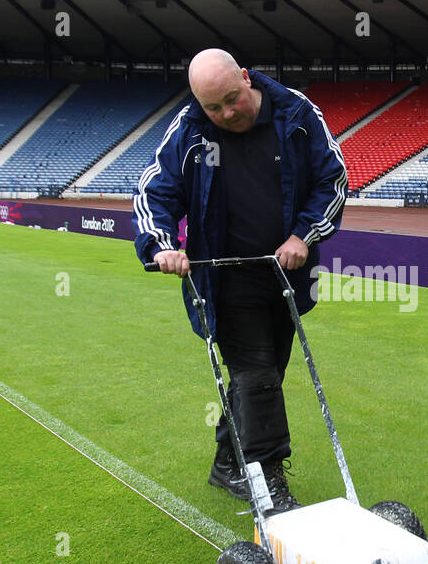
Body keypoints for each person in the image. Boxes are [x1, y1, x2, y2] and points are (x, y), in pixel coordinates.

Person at [133, 48, 347, 510]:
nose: (226, 114)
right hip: (224, 279)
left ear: (245, 78)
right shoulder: (189, 129)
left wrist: (303, 235)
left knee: (269, 373)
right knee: (256, 375)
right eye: (214, 107)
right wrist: (162, 244)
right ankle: (267, 482)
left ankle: (226, 464)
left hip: (286, 272)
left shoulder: (298, 113)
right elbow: (155, 191)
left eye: (232, 99)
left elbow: (333, 179)